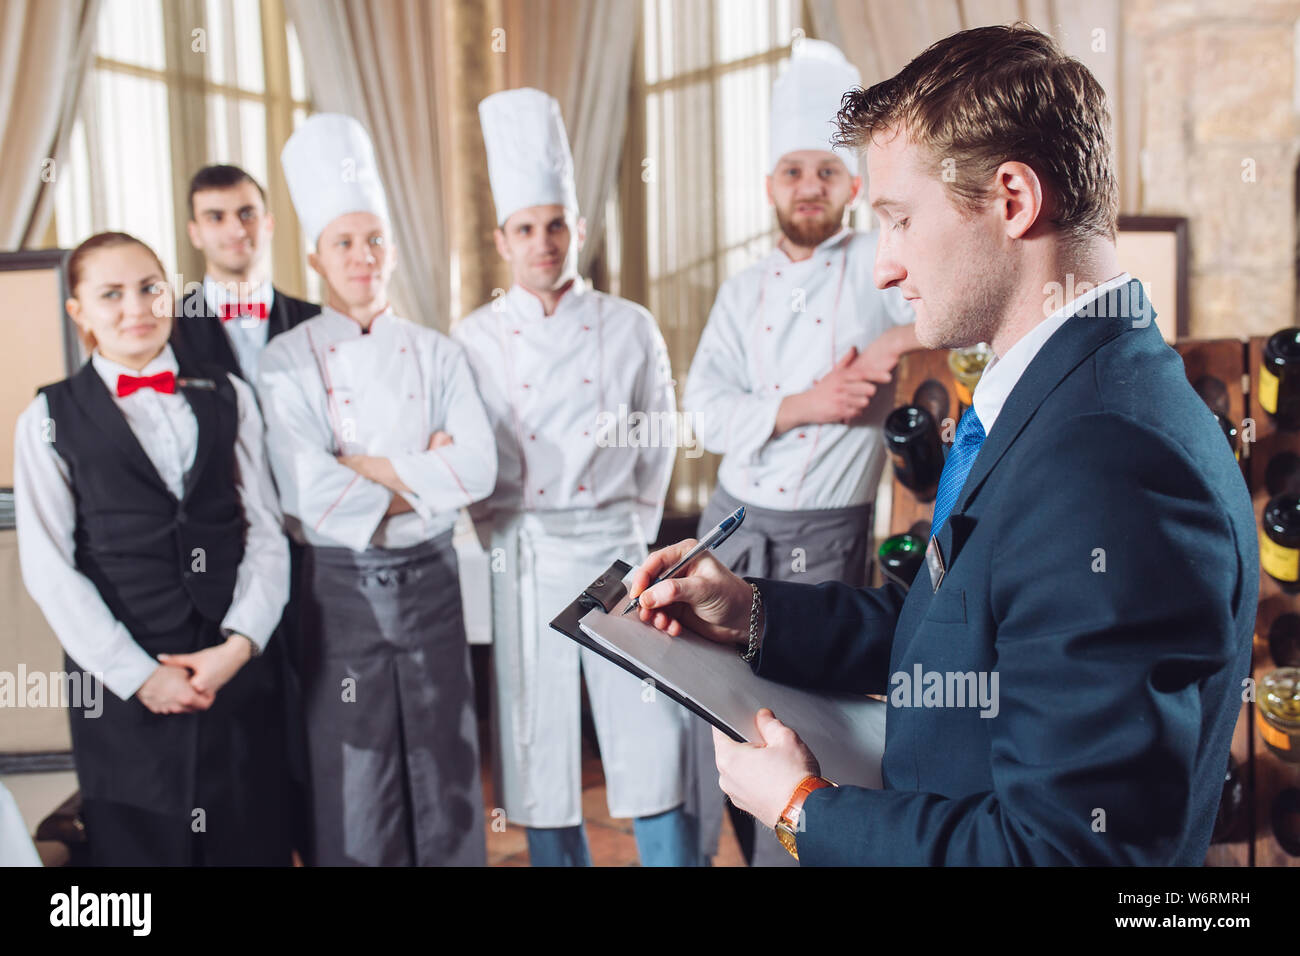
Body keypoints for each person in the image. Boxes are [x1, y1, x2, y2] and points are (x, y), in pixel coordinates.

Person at [630, 23, 1257, 866]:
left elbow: (1064, 854)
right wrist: (755, 615)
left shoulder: (1108, 464)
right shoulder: (1066, 392)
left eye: (897, 219)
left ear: (1012, 200)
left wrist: (801, 810)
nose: (883, 266)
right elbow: (956, 622)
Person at [679, 39, 917, 867]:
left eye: (825, 171)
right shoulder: (741, 290)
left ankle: (807, 854)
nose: (808, 187)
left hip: (823, 532)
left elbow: (942, 317)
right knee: (730, 719)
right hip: (734, 521)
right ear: (771, 185)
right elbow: (703, 413)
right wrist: (805, 403)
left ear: (853, 184)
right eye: (792, 172)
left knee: (806, 721)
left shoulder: (877, 266)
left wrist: (896, 346)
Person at [454, 88, 693, 867]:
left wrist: (630, 528)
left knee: (648, 731)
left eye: (556, 225)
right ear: (503, 240)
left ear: (578, 229)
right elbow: (467, 460)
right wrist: (503, 536)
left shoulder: (630, 326)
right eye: (526, 229)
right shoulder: (473, 339)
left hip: (614, 546)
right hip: (522, 553)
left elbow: (657, 441)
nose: (544, 242)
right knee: (537, 744)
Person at [259, 113, 497, 866]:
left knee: (445, 758)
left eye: (374, 240)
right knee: (353, 764)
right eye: (343, 243)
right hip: (338, 588)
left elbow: (480, 469)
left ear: (392, 249)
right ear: (315, 257)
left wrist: (362, 467)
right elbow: (302, 489)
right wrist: (425, 474)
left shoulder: (439, 352)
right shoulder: (284, 361)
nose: (361, 257)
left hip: (431, 579)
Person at [15, 231, 292, 866]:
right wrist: (141, 676)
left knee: (250, 843)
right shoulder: (48, 417)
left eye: (149, 287)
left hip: (235, 679)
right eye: (111, 294)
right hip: (125, 692)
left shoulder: (229, 395)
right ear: (78, 310)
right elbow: (49, 568)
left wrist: (240, 644)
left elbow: (265, 532)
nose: (136, 307)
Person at [170, 164, 319, 385]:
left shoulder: (315, 320)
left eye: (247, 214)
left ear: (268, 224)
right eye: (216, 217)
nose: (236, 231)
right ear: (195, 234)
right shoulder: (172, 328)